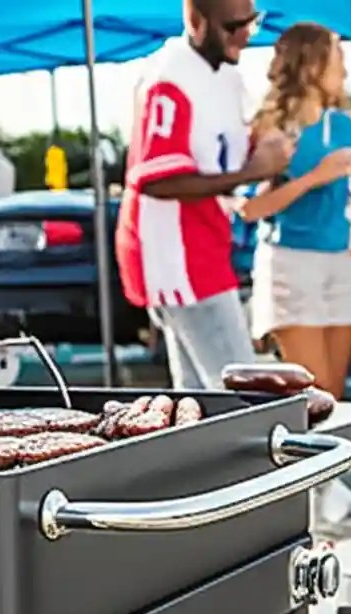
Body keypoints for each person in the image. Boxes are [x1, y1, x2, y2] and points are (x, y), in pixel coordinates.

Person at [114, 0, 295, 389]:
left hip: (205, 246)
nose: (246, 35)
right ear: (196, 21)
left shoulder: (228, 77)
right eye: (233, 26)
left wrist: (265, 146)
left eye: (252, 22)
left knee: (201, 400)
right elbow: (155, 180)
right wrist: (251, 172)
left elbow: (228, 154)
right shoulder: (169, 77)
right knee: (240, 393)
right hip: (176, 256)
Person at [239, 23, 351, 399]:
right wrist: (315, 177)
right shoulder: (274, 128)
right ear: (312, 65)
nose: (345, 71)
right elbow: (250, 208)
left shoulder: (346, 125)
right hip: (292, 264)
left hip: (343, 263)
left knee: (335, 396)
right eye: (337, 60)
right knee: (315, 393)